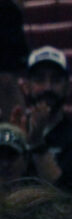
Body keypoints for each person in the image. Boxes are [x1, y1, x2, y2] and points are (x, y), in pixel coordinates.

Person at [15, 46, 71, 190]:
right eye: (40, 79)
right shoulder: (15, 131)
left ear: (68, 87)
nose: (48, 87)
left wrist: (36, 144)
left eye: (56, 80)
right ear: (26, 86)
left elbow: (64, 195)